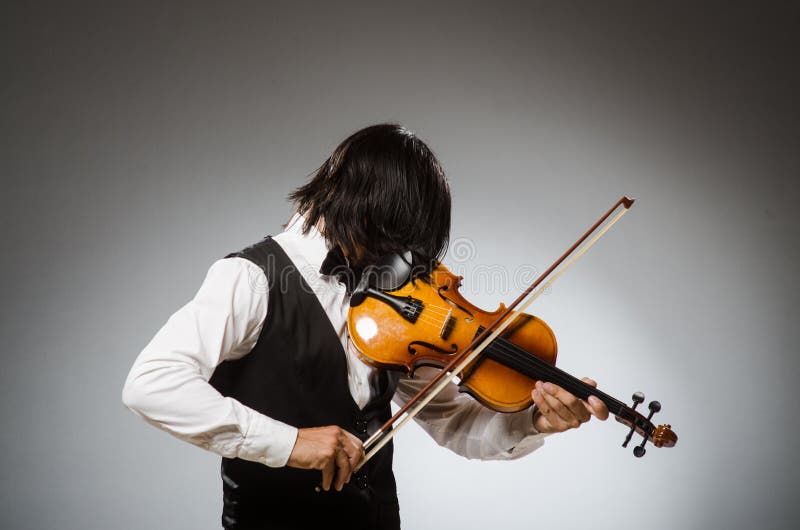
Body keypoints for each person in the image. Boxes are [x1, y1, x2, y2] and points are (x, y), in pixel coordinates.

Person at [122, 123, 609, 529]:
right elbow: (152, 384)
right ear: (356, 205)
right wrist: (291, 443)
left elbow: (454, 421)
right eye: (397, 240)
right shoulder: (250, 278)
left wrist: (532, 421)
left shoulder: (394, 308)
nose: (405, 263)